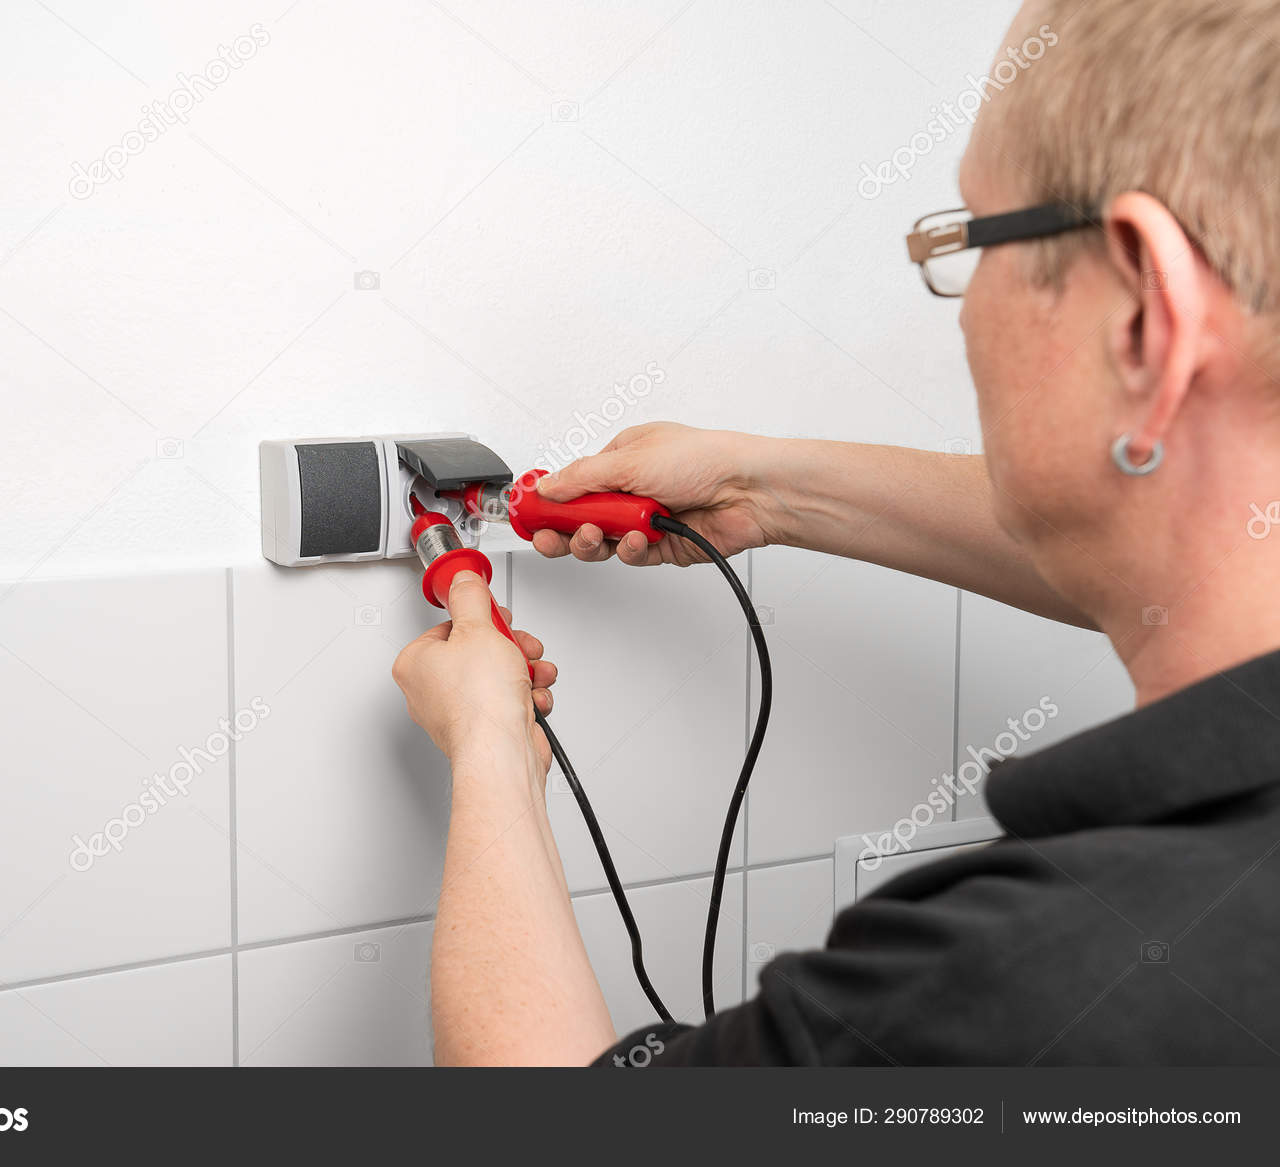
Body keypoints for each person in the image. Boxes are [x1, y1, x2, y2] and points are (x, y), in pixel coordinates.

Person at [392, 0, 1280, 1066]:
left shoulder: (1026, 976)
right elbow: (1193, 543)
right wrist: (768, 490)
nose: (961, 307)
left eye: (971, 239)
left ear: (1145, 313)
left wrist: (492, 745)